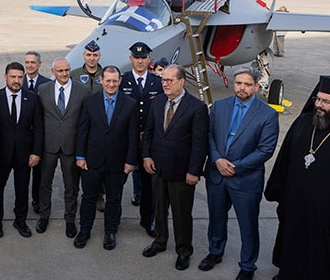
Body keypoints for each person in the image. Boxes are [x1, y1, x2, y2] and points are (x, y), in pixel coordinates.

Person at [265, 75, 330, 280]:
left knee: (321, 262)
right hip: (296, 207)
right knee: (292, 251)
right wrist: (280, 193)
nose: (318, 105)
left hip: (328, 217)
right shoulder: (303, 122)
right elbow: (284, 159)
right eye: (317, 99)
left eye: (325, 101)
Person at [200, 67, 278, 280]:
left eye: (246, 84)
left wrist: (234, 166)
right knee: (216, 218)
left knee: (247, 224)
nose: (242, 88)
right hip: (217, 175)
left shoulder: (268, 114)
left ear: (256, 86)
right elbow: (209, 136)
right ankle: (215, 252)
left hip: (245, 179)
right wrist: (217, 159)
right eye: (238, 83)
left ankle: (247, 265)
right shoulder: (219, 106)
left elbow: (265, 150)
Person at [142, 64, 208, 271]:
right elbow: (149, 132)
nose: (165, 84)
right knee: (159, 209)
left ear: (181, 81)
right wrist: (146, 156)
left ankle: (184, 250)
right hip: (158, 168)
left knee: (181, 214)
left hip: (182, 172)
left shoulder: (196, 107)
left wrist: (194, 171)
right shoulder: (158, 101)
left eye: (170, 80)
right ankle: (160, 241)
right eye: (163, 80)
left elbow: (200, 144)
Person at [74, 65, 138, 250]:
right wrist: (80, 156)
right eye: (108, 80)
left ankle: (110, 231)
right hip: (92, 161)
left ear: (120, 81)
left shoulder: (130, 103)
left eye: (115, 81)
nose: (111, 84)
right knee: (88, 197)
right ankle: (84, 230)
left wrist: (130, 161)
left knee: (114, 199)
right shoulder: (90, 101)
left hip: (118, 163)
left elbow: (133, 136)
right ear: (101, 80)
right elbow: (83, 130)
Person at [0, 62, 43, 239]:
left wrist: (36, 152)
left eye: (20, 77)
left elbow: (38, 128)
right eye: (13, 77)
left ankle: (20, 220)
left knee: (22, 189)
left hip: (24, 155)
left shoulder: (32, 98)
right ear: (5, 77)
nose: (16, 81)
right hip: (1, 155)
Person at [36, 58, 87, 239]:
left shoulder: (82, 91)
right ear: (53, 72)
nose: (64, 74)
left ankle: (70, 219)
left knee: (71, 186)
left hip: (71, 146)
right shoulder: (43, 91)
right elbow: (39, 120)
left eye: (67, 70)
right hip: (49, 146)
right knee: (45, 184)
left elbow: (84, 123)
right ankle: (44, 216)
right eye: (60, 71)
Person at [119, 42, 162, 237]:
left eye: (143, 58)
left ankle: (148, 220)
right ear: (131, 59)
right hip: (127, 141)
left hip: (149, 142)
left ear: (149, 60)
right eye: (136, 58)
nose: (139, 61)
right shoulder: (122, 81)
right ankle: (114, 220)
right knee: (117, 182)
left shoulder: (157, 82)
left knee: (149, 186)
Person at [70, 40, 106, 211]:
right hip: (78, 125)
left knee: (97, 163)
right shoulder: (75, 74)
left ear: (99, 56)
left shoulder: (105, 75)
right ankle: (74, 194)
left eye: (95, 55)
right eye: (89, 55)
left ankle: (98, 195)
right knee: (77, 163)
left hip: (99, 128)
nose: (92, 58)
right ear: (84, 55)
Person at [24, 51, 52, 215]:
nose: (29, 65)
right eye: (27, 62)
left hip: (40, 135)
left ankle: (37, 200)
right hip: (23, 135)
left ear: (39, 64)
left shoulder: (47, 84)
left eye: (33, 62)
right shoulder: (18, 81)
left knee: (40, 173)